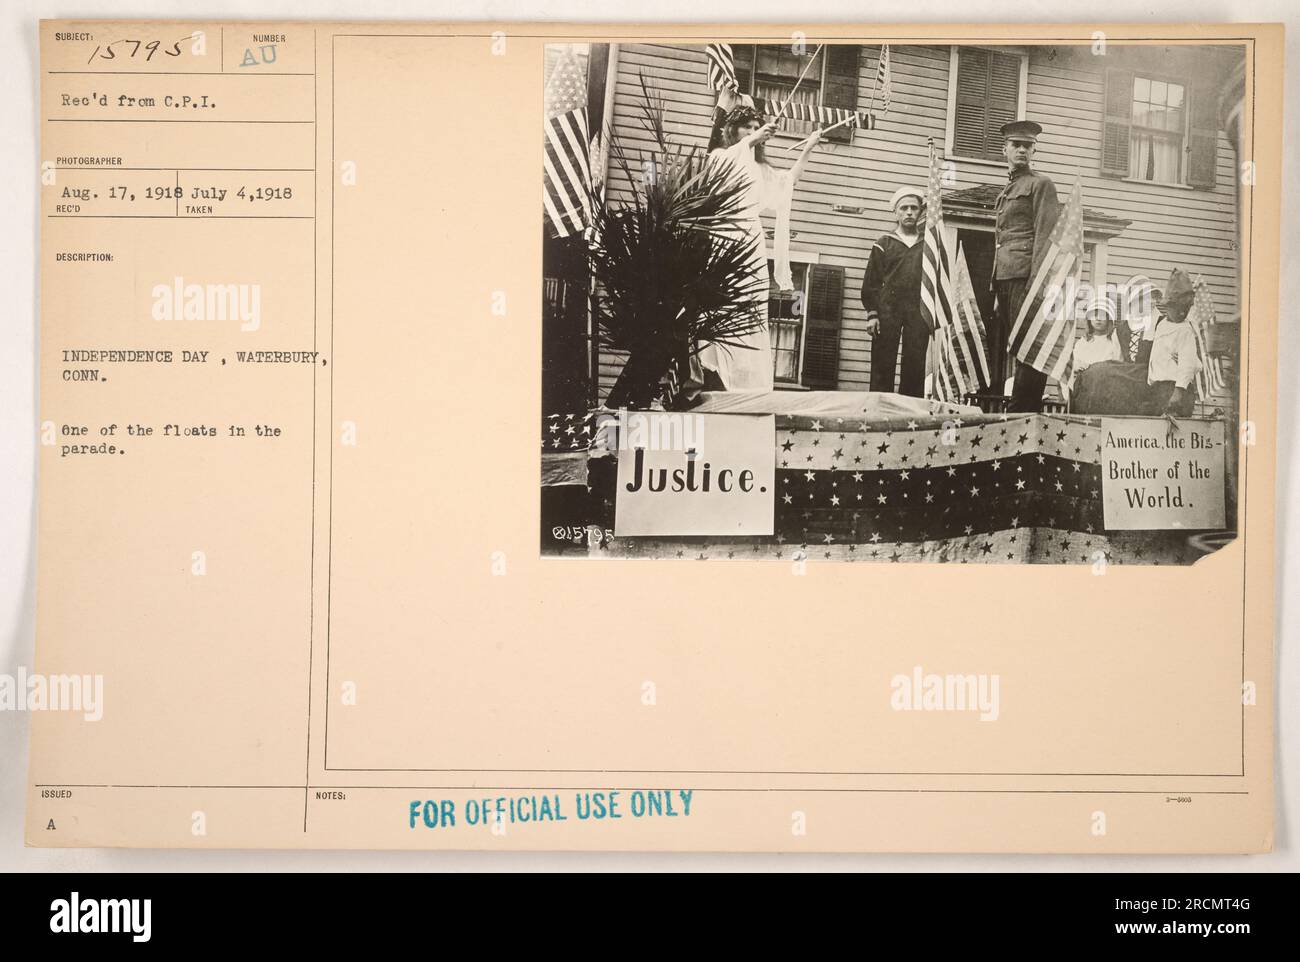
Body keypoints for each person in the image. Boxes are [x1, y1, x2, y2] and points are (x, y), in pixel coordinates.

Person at [698, 105, 822, 392]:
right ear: (733, 131)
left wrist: (809, 147)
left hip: (750, 238)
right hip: (725, 232)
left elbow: (788, 182)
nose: (753, 133)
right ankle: (713, 371)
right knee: (722, 301)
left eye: (757, 128)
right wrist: (752, 140)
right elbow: (724, 163)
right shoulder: (722, 156)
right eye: (747, 127)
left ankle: (745, 380)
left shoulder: (761, 168)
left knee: (750, 302)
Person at [989, 119, 1060, 412]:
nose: (1022, 150)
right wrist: (995, 286)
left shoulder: (1040, 184)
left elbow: (1045, 236)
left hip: (1026, 278)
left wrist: (1038, 283)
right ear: (1004, 149)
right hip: (1006, 279)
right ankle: (1022, 409)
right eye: (1016, 145)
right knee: (1019, 345)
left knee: (1032, 344)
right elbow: (1001, 240)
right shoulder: (1007, 190)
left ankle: (1023, 411)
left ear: (1034, 151)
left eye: (1027, 146)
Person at [1071, 268, 1203, 416]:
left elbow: (1187, 361)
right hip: (1129, 381)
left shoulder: (1163, 324)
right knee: (1095, 376)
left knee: (1101, 374)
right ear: (1134, 301)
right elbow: (1116, 359)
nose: (1152, 302)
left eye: (1153, 298)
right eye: (1147, 298)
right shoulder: (1122, 328)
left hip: (1152, 380)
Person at [861, 186, 931, 397]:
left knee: (915, 361)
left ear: (920, 212)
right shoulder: (884, 243)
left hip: (917, 310)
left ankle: (908, 415)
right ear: (896, 212)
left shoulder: (928, 244)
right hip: (887, 309)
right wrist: (872, 314)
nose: (909, 212)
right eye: (904, 208)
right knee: (883, 361)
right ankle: (878, 409)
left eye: (914, 208)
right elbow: (871, 282)